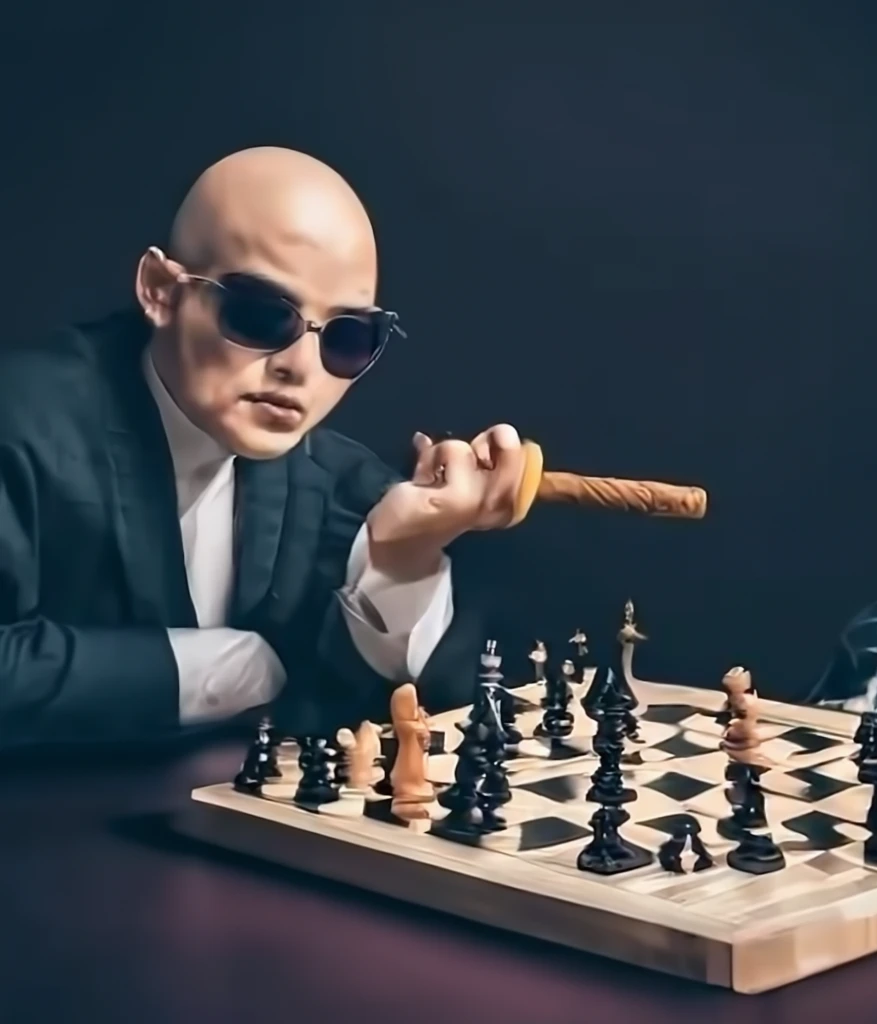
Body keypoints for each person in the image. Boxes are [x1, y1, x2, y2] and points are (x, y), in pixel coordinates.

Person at [0, 147, 525, 749]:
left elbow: (439, 712)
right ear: (159, 290)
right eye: (260, 315)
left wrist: (404, 562)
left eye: (348, 338)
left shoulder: (340, 481)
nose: (300, 368)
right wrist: (225, 667)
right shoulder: (21, 422)